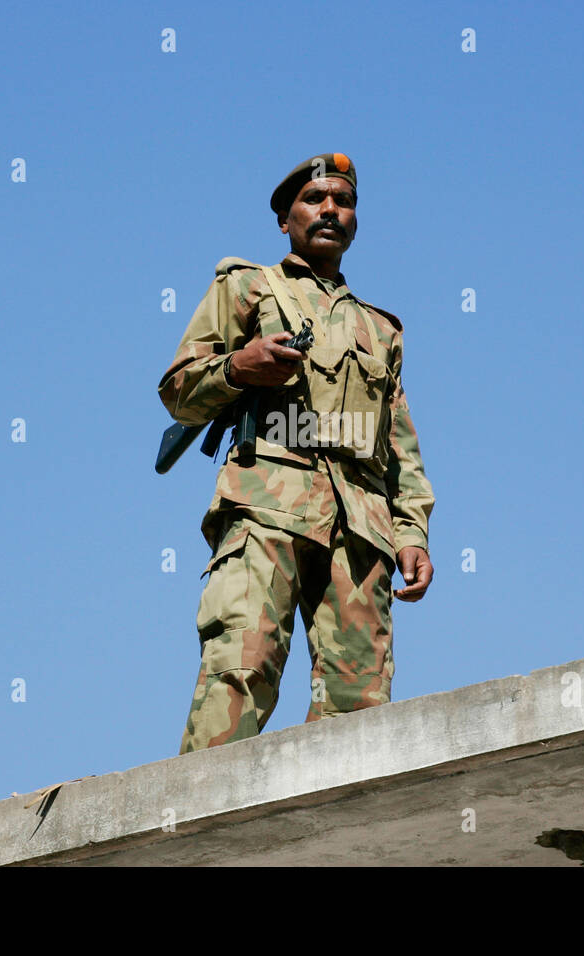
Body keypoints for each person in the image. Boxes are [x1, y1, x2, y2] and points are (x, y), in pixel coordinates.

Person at [158, 152, 435, 754]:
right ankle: (198, 828)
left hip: (361, 525)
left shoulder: (380, 330)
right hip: (266, 503)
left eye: (344, 200)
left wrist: (412, 532)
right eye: (315, 200)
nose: (331, 209)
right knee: (243, 663)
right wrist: (240, 367)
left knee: (359, 698)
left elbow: (399, 445)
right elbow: (177, 391)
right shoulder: (248, 286)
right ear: (285, 219)